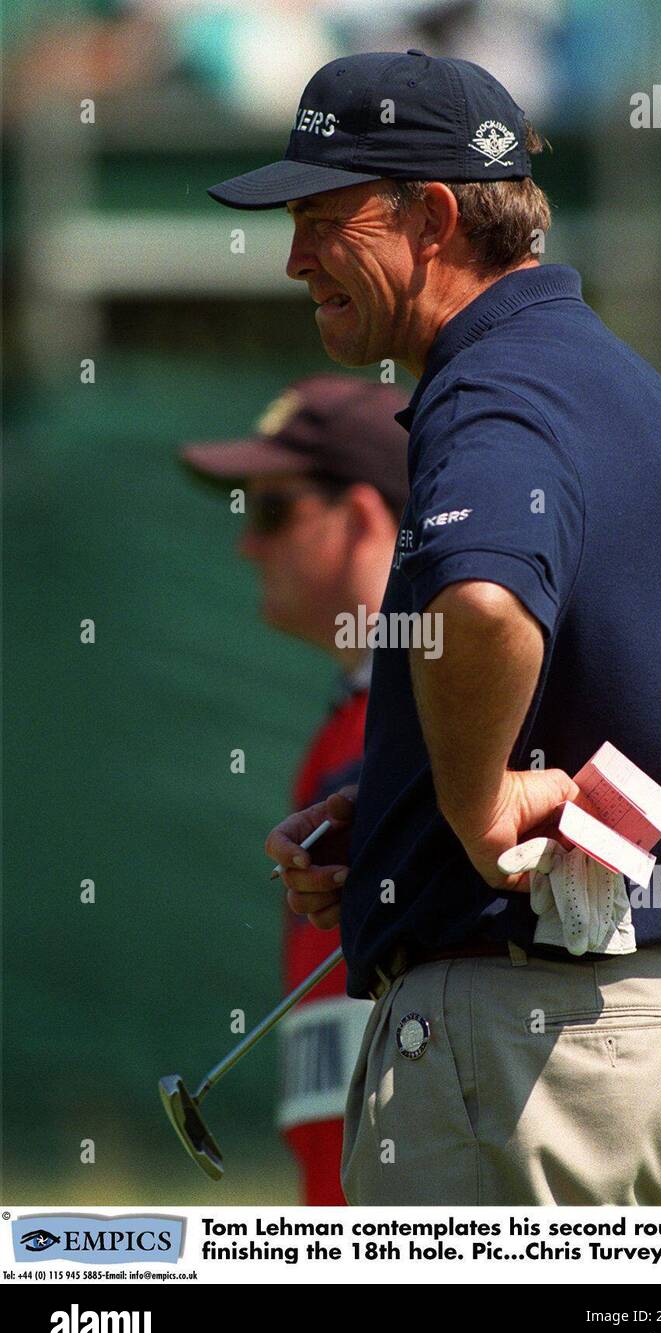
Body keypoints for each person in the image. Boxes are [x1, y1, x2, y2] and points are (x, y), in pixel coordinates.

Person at [211, 50, 661, 1205]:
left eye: (327, 216)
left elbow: (482, 606)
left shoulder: (493, 390)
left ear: (434, 217)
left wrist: (469, 812)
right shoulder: (617, 387)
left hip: (529, 1054)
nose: (294, 256)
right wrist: (405, 810)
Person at [180, 374, 408, 1203]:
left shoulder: (447, 724)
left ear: (361, 518)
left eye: (272, 512)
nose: (248, 544)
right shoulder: (348, 721)